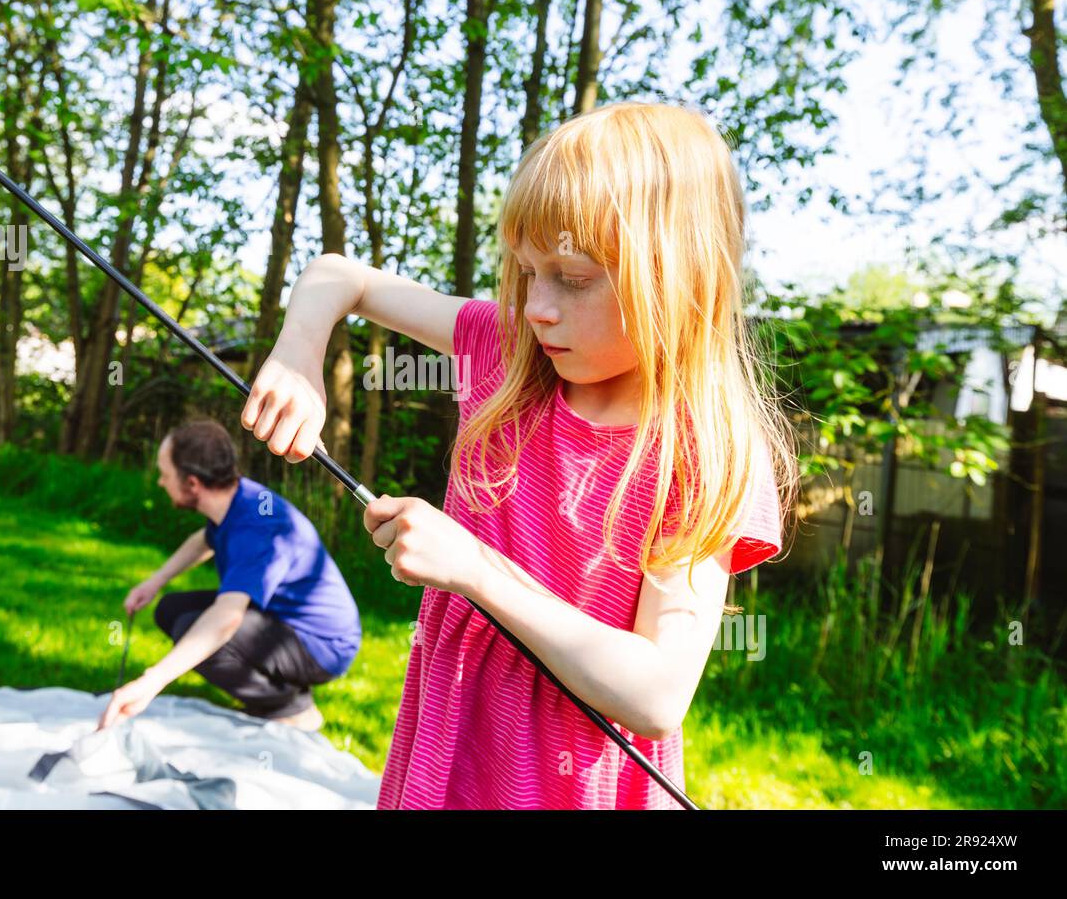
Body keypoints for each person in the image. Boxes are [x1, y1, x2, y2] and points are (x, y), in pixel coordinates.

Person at [238, 100, 799, 808]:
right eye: (527, 271)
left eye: (573, 277)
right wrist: (298, 355)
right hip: (445, 766)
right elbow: (338, 275)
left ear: (677, 279)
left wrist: (474, 568)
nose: (536, 305)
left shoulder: (702, 449)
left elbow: (656, 695)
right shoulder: (506, 354)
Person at [96, 420, 362, 734]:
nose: (160, 482)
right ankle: (281, 691)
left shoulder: (257, 529)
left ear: (192, 483)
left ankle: (291, 708)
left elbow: (226, 619)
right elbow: (205, 539)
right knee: (171, 609)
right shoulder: (236, 498)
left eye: (164, 474)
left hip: (322, 645)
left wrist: (150, 682)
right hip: (280, 618)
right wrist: (154, 582)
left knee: (193, 628)